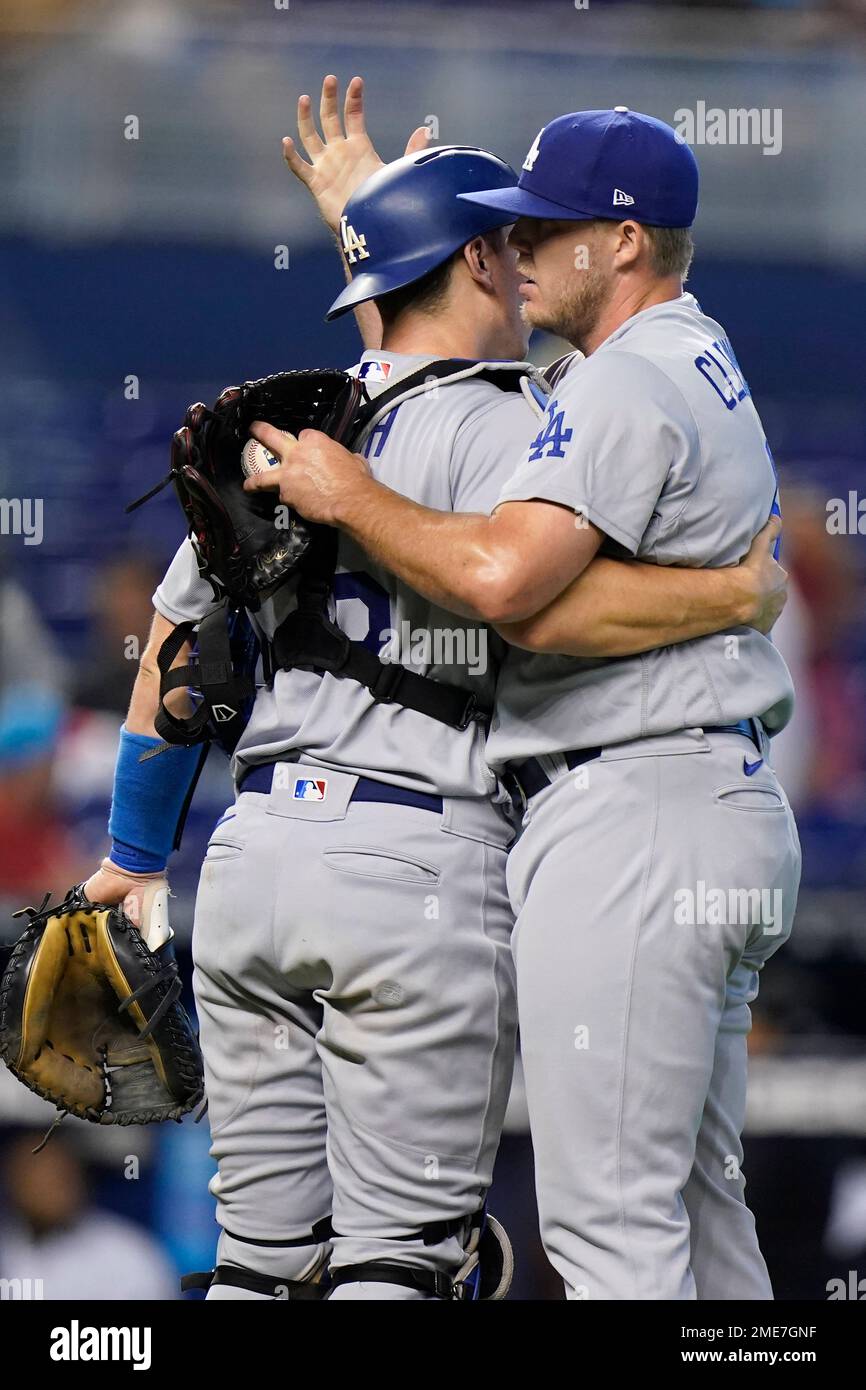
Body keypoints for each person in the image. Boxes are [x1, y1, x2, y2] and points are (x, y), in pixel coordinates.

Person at [86, 85, 787, 1302]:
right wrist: (735, 597)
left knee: (256, 1266)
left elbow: (165, 649)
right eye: (499, 242)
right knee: (406, 1263)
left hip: (249, 864)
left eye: (535, 234)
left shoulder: (275, 437)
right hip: (419, 864)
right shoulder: (532, 420)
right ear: (470, 259)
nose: (518, 262)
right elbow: (516, 585)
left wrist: (134, 854)